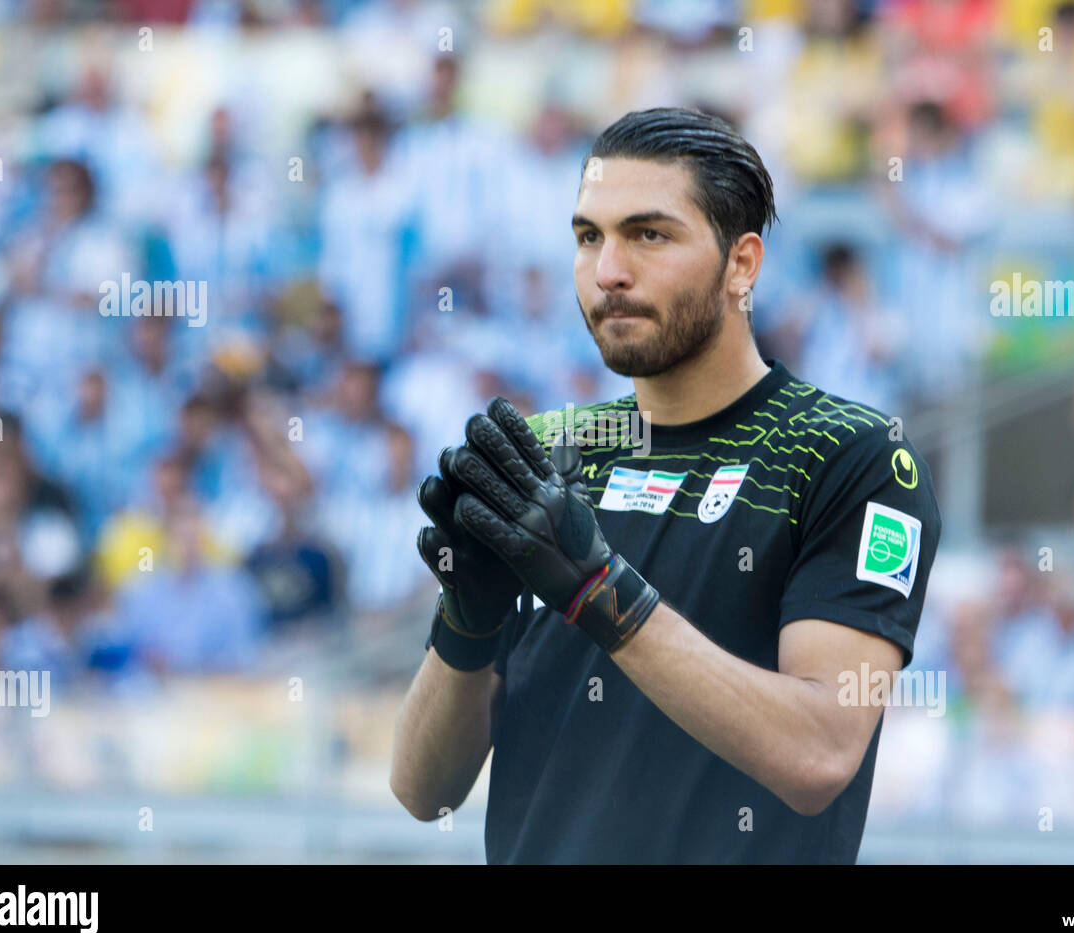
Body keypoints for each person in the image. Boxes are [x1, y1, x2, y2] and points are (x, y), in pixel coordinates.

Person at [391, 107, 942, 863]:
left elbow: (819, 754)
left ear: (742, 264)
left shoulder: (849, 455)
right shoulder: (556, 448)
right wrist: (467, 618)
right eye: (589, 237)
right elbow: (424, 790)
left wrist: (598, 589)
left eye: (649, 234)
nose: (609, 270)